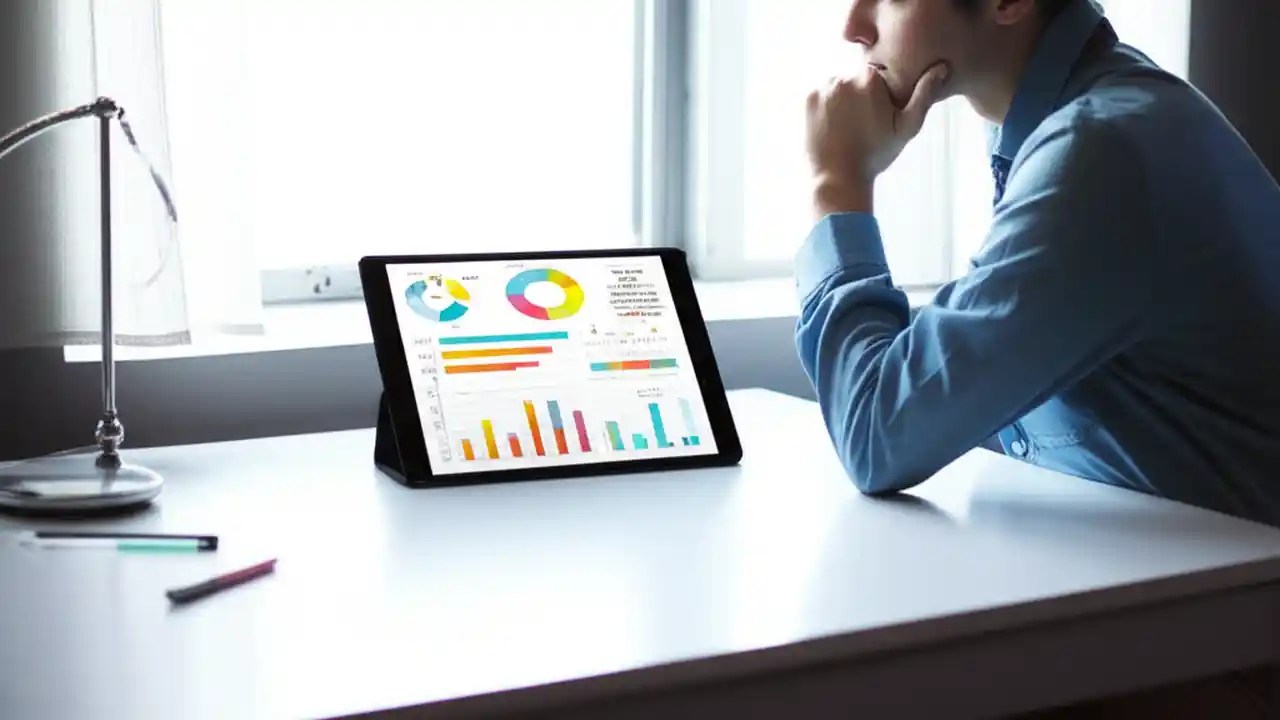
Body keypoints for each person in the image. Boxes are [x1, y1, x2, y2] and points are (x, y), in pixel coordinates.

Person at [797, 0, 1280, 527]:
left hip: (1235, 600)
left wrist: (837, 183)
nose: (854, 27)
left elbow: (875, 438)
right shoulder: (1095, 115)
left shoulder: (1100, 154)